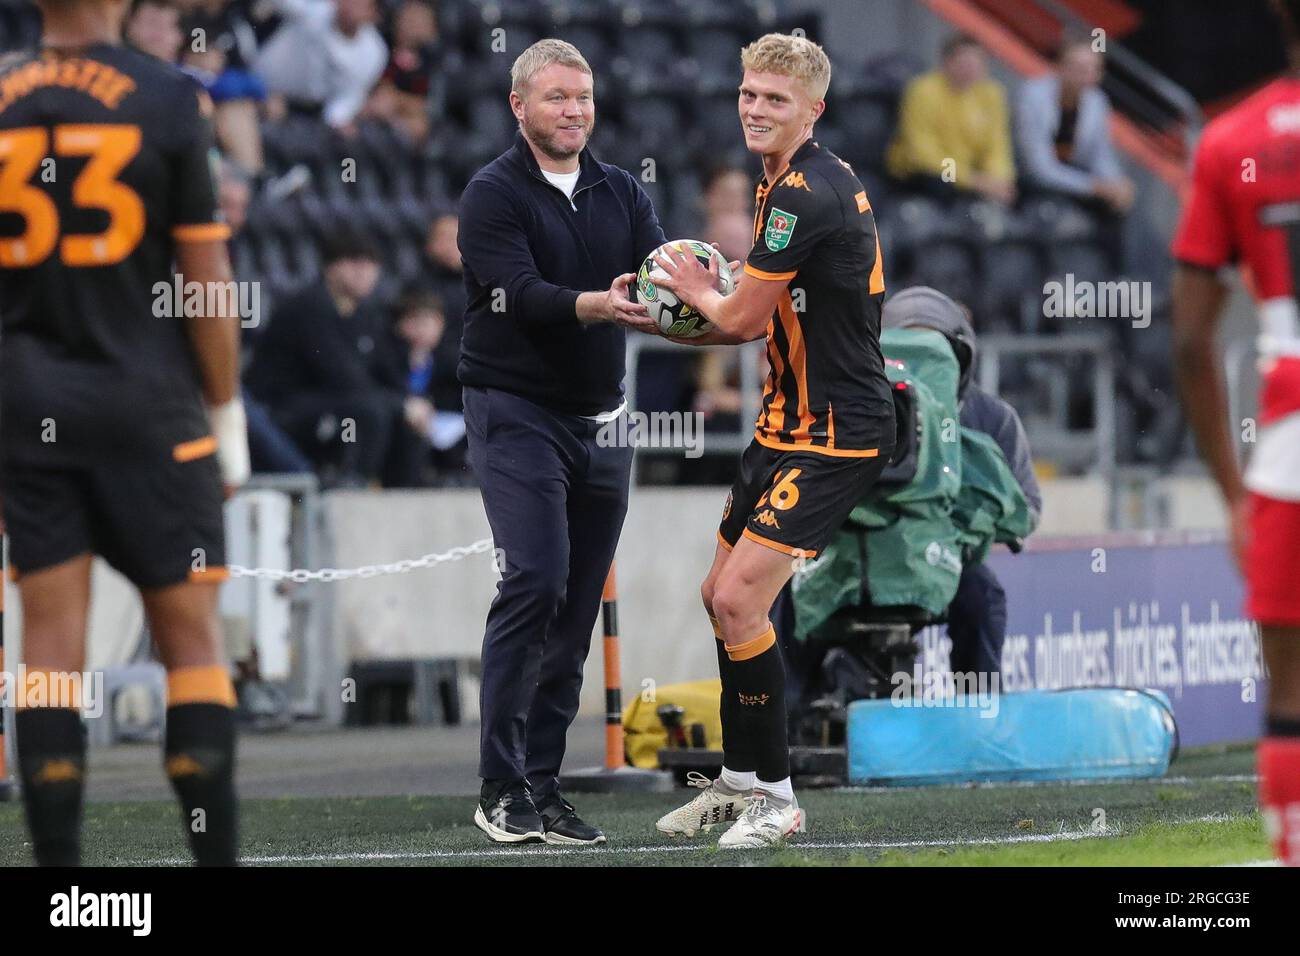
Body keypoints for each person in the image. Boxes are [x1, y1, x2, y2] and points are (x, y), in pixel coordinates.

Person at [0, 0, 249, 865]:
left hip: (27, 408)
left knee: (47, 653)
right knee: (191, 644)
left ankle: (61, 883)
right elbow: (207, 279)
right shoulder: (170, 99)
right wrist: (224, 411)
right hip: (150, 406)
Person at [650, 33, 895, 848]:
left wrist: (686, 295)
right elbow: (756, 311)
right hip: (783, 425)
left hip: (837, 432)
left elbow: (744, 320)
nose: (756, 109)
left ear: (813, 109)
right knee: (717, 595)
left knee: (740, 600)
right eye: (749, 94)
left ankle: (780, 800)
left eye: (775, 100)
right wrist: (675, 302)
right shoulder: (782, 184)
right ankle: (741, 781)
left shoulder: (801, 195)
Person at [457, 38, 665, 845]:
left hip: (603, 420)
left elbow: (660, 273)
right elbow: (518, 295)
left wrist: (709, 287)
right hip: (515, 412)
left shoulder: (620, 190)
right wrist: (600, 305)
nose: (574, 110)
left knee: (576, 611)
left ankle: (541, 785)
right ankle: (498, 786)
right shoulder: (491, 194)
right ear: (519, 106)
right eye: (556, 98)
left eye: (582, 97)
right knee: (535, 583)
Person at [1170, 0, 1300, 866]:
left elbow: (1188, 343)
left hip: (1290, 438)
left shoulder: (1231, 142)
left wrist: (1229, 493)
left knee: (1288, 690)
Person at [882, 286, 1041, 678]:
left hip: (943, 557)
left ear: (959, 357)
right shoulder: (854, 404)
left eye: (932, 353)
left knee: (984, 598)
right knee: (788, 586)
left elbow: (1026, 507)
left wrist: (973, 525)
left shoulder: (993, 419)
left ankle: (979, 714)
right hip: (859, 551)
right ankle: (786, 717)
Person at [244, 230, 423, 487]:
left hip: (336, 402)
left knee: (411, 423)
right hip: (285, 408)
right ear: (330, 267)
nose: (365, 273)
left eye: (371, 265)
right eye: (355, 264)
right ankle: (352, 491)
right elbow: (341, 376)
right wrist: (400, 405)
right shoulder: (308, 308)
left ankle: (403, 498)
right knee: (372, 411)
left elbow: (385, 370)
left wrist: (410, 402)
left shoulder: (366, 313)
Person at [1015, 36, 1134, 269]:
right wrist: (1093, 186)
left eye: (1093, 70)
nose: (1087, 77)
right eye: (1079, 68)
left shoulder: (1097, 102)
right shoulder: (1033, 96)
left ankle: (1113, 283)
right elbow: (1039, 167)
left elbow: (1101, 155)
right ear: (1060, 66)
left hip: (1074, 177)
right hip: (1032, 180)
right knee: (1053, 209)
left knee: (1116, 208)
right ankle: (1049, 282)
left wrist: (1115, 184)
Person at [886, 34, 1016, 206]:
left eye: (977, 63)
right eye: (964, 63)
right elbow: (923, 152)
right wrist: (973, 180)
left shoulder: (992, 95)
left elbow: (997, 147)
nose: (970, 69)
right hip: (925, 170)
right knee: (943, 184)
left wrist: (999, 179)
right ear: (946, 62)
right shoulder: (923, 91)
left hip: (968, 172)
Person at [254, 0, 386, 131]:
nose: (351, 5)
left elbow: (348, 97)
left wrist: (336, 122)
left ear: (374, 15)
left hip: (309, 112)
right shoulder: (316, 9)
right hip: (262, 87)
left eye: (362, 5)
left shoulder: (374, 52)